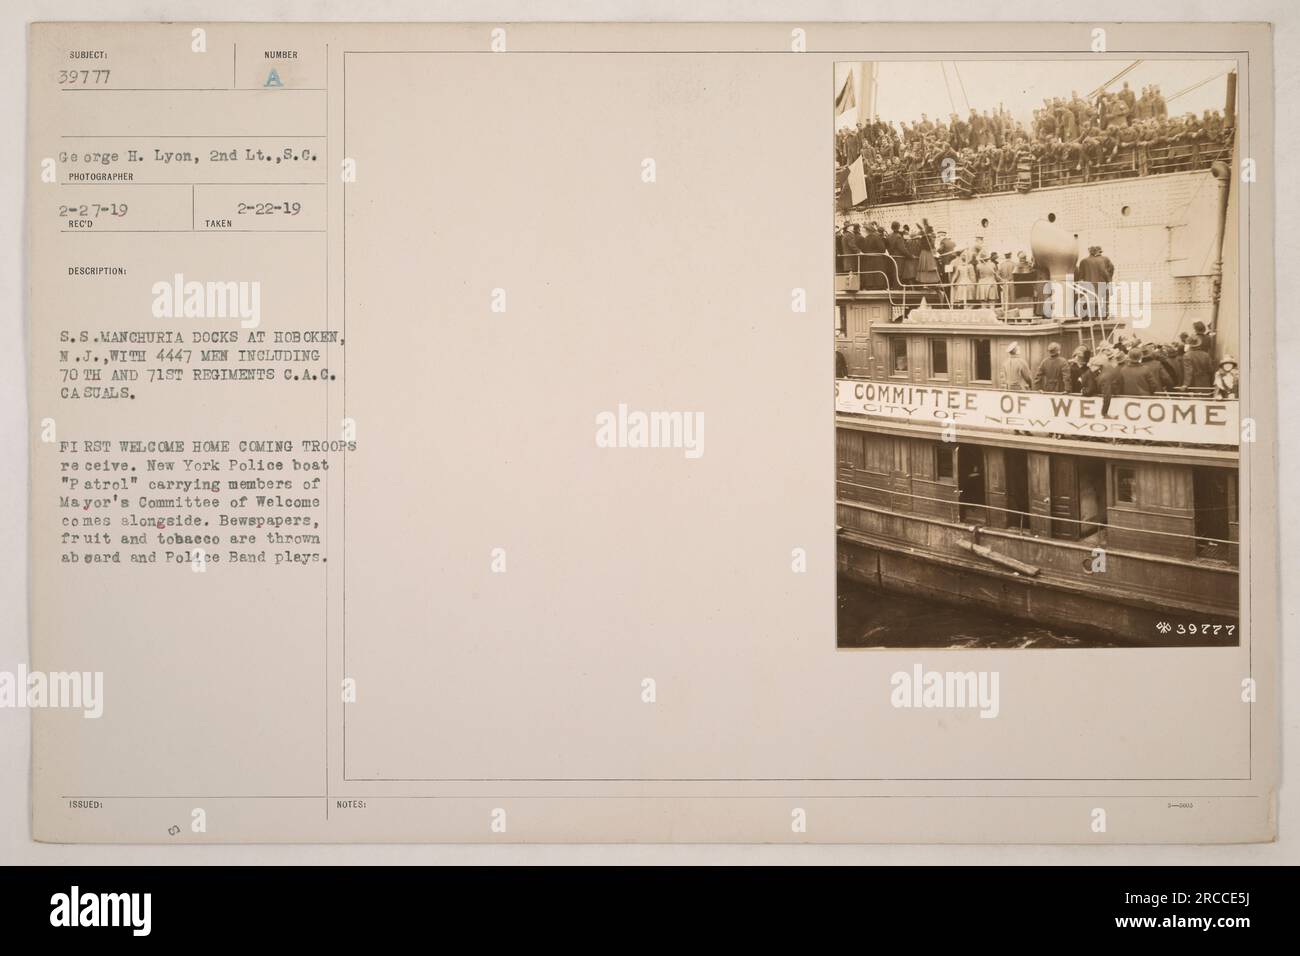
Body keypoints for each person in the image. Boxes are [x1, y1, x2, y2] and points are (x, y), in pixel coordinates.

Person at [1074, 245, 1115, 318]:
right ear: (1099, 252)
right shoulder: (1105, 259)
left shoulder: (1084, 261)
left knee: (1089, 303)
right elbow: (1110, 270)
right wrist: (1108, 280)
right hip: (1102, 286)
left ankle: (1091, 317)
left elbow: (1080, 276)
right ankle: (1102, 317)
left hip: (1088, 288)